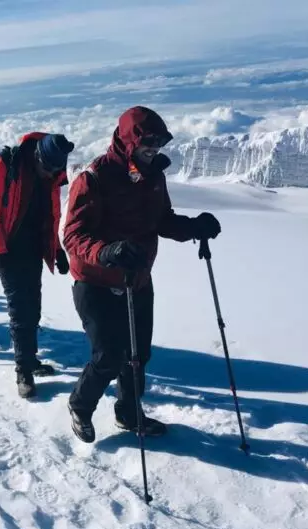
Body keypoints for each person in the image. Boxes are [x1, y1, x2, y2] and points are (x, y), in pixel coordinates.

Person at [62, 106, 222, 443]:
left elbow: (162, 220)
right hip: (95, 280)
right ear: (128, 141)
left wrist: (194, 227)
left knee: (137, 355)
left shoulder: (153, 177)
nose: (154, 151)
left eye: (158, 145)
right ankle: (80, 405)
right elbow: (73, 236)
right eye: (148, 144)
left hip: (136, 278)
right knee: (108, 357)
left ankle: (129, 412)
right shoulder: (94, 178)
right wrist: (107, 251)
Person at [0, 133, 74, 399]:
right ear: (36, 156)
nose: (51, 174)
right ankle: (23, 371)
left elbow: (52, 216)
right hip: (7, 249)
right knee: (20, 310)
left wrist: (56, 250)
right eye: (48, 168)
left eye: (56, 169)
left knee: (33, 307)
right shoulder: (4, 165)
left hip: (34, 249)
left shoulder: (52, 174)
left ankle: (30, 360)